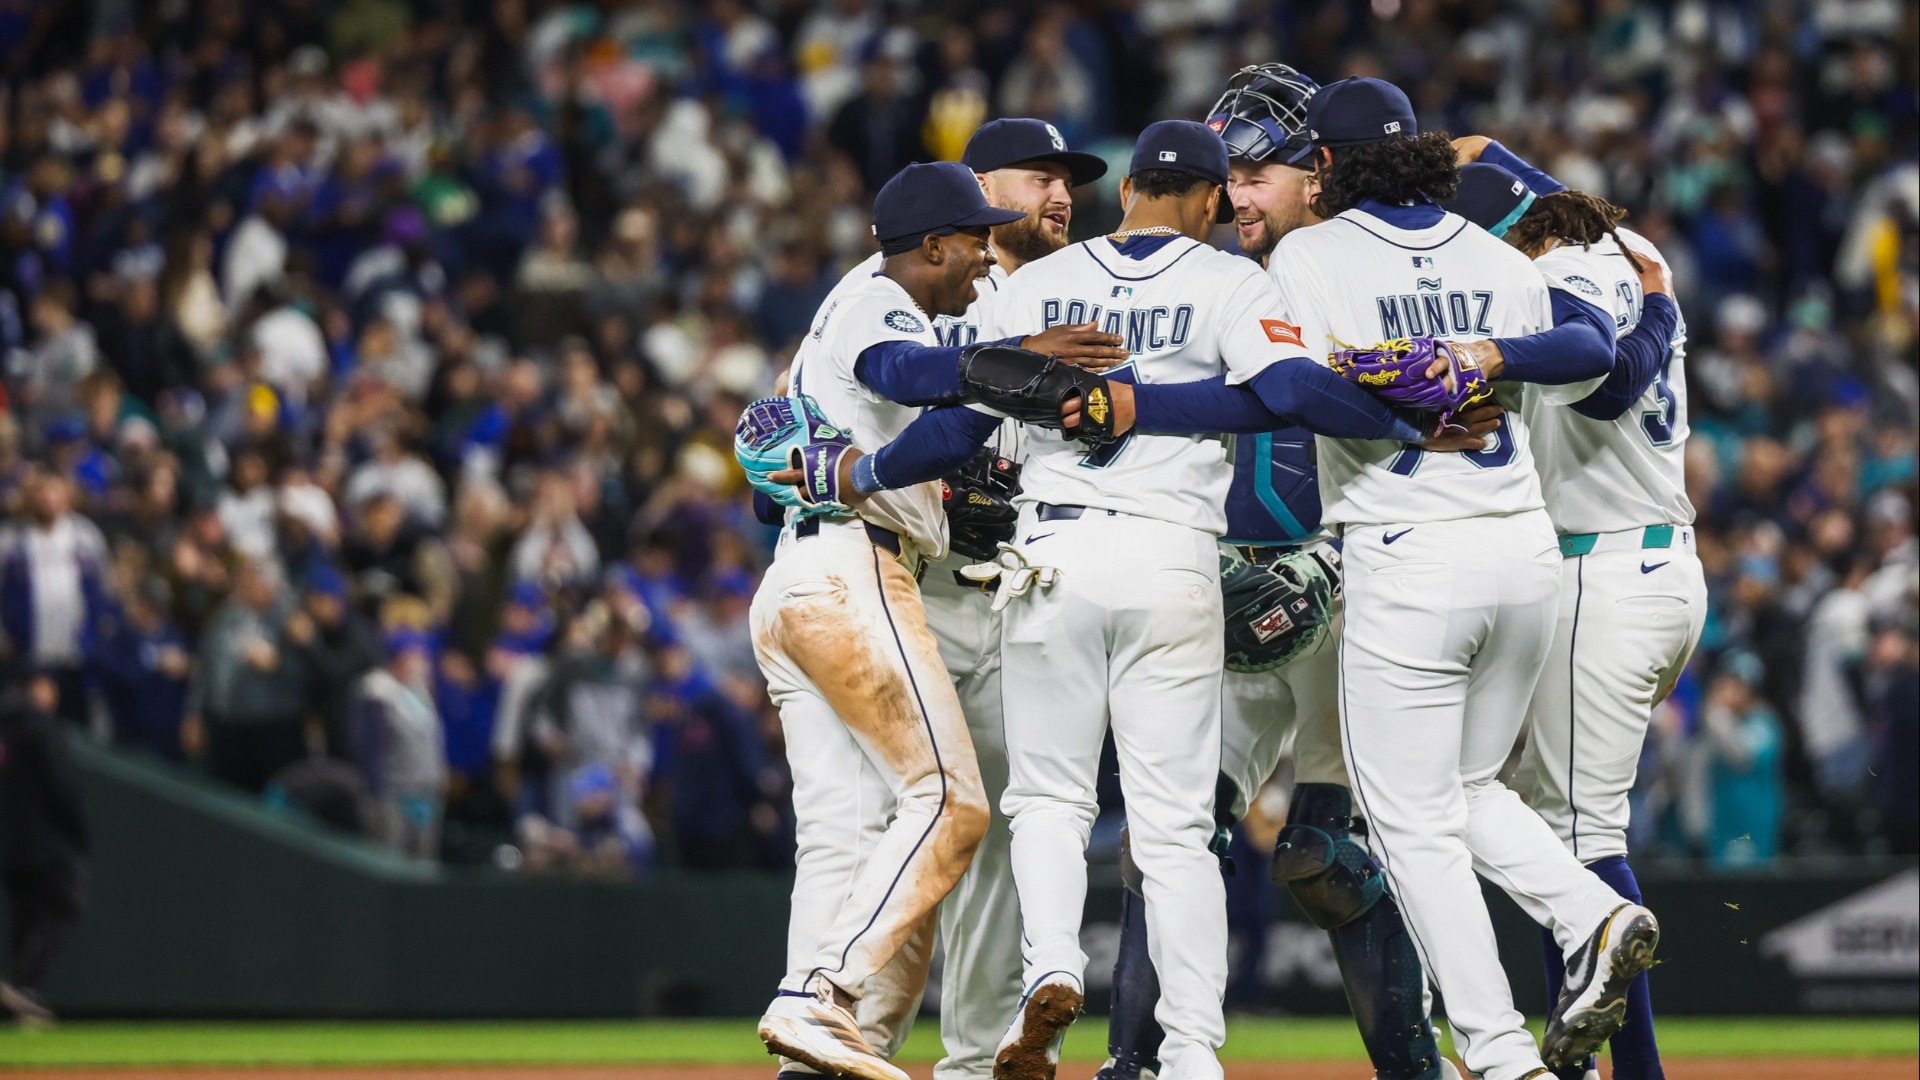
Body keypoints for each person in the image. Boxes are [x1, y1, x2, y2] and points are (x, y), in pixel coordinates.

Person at [1263, 77, 1659, 1080]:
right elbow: (1590, 355)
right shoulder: (1494, 255)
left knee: (1410, 822)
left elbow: (1291, 389)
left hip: (1411, 550)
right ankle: (1593, 913)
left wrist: (1392, 400)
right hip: (1522, 550)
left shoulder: (1310, 252)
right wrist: (1482, 351)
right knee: (1469, 788)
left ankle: (1498, 1051)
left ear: (1328, 166)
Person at [1095, 64, 1457, 1080]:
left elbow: (1439, 439)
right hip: (1237, 590)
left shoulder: (1380, 266)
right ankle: (1131, 1067)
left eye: (1259, 174)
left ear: (1321, 172)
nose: (1237, 197)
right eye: (1230, 179)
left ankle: (1421, 1069)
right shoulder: (1219, 281)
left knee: (1323, 856)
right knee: (1166, 838)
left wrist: (1336, 557)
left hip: (1362, 594)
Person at [744, 159, 1119, 1080]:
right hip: (852, 570)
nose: (986, 257)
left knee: (846, 839)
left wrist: (1004, 380)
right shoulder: (877, 299)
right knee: (952, 801)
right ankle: (820, 995)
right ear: (936, 245)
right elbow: (908, 373)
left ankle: (818, 1054)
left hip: (800, 581)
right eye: (975, 241)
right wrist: (1022, 356)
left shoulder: (849, 319)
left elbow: (940, 427)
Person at [852, 117, 1112, 1080]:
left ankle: (973, 1065)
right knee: (895, 826)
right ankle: (848, 1042)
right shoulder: (898, 289)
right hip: (909, 582)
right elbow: (828, 403)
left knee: (1007, 834)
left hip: (1014, 585)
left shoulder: (1074, 292)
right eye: (1037, 176)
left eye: (1068, 180)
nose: (1060, 194)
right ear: (976, 187)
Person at [1444, 149, 1696, 1080]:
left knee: (1580, 842)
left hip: (1602, 572)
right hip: (1658, 566)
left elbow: (1611, 382)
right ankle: (1585, 1067)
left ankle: (1634, 1073)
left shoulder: (1550, 281)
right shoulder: (1627, 261)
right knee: (1560, 828)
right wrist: (1662, 304)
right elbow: (1518, 183)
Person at [0, 673, 89, 1026]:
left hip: (8, 844)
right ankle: (26, 987)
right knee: (67, 903)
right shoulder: (39, 728)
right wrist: (78, 831)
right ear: (34, 687)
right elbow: (61, 787)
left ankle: (20, 992)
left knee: (24, 917)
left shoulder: (7, 728)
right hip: (47, 842)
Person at [184, 559, 314, 793]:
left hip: (272, 728)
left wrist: (278, 664)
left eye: (252, 581)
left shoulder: (290, 618)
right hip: (227, 725)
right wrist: (194, 713)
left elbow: (309, 675)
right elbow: (206, 665)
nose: (244, 587)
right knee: (228, 793)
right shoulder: (226, 614)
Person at [0, 471, 110, 725]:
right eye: (41, 490)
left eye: (54, 490)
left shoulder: (86, 536)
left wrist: (96, 639)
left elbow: (104, 589)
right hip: (26, 657)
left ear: (68, 495)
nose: (47, 498)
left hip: (78, 658)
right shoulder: (11, 540)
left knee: (77, 727)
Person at [350, 628, 447, 859]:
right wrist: (376, 795)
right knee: (389, 860)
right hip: (392, 796)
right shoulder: (376, 692)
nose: (421, 664)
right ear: (396, 658)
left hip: (426, 796)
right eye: (414, 656)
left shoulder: (419, 692)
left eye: (423, 657)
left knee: (423, 862)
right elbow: (368, 749)